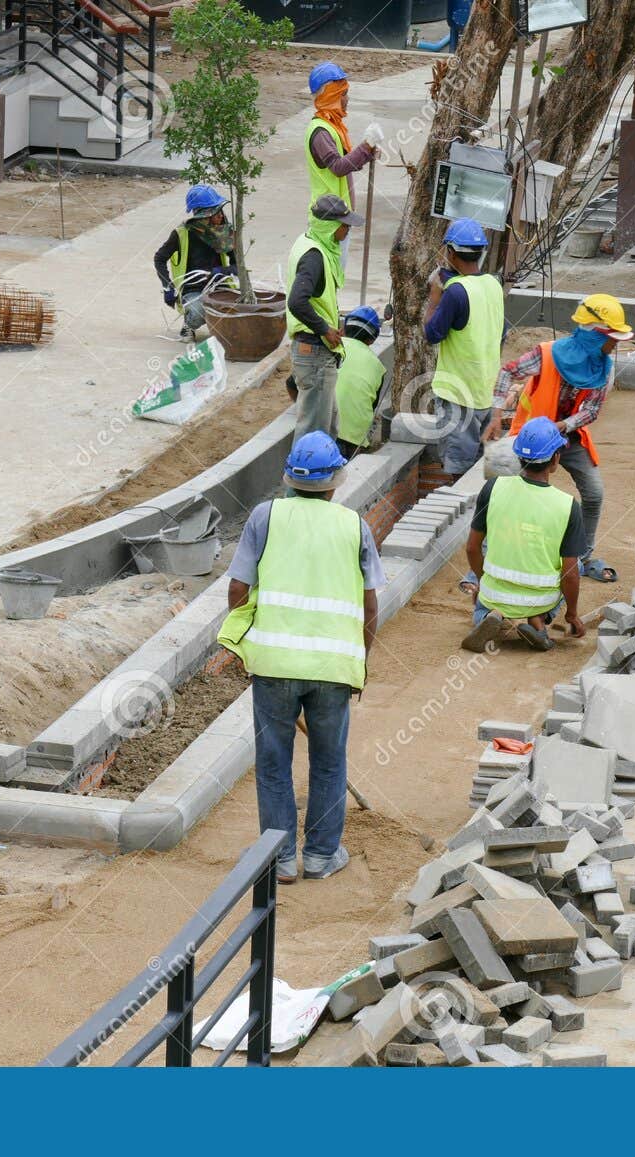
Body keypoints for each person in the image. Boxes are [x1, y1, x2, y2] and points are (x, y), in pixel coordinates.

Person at [219, 432, 385, 885]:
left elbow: (237, 591)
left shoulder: (264, 517)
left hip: (274, 667)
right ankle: (320, 856)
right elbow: (370, 607)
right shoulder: (354, 526)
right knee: (329, 761)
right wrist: (358, 663)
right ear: (336, 481)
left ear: (289, 477)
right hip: (333, 669)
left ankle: (280, 860)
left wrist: (249, 639)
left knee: (273, 762)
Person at [485, 294, 634, 583]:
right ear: (592, 334)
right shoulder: (548, 354)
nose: (614, 345)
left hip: (569, 436)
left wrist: (562, 426)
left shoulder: (603, 368)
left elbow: (590, 411)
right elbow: (507, 373)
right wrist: (495, 414)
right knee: (507, 492)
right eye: (611, 338)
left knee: (594, 493)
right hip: (529, 438)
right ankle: (493, 552)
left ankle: (583, 557)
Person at [462, 418, 587, 653]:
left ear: (518, 457)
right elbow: (569, 576)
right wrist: (571, 614)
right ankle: (538, 621)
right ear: (555, 460)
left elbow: (472, 548)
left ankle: (488, 616)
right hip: (539, 598)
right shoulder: (568, 506)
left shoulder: (493, 488)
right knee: (576, 566)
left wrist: (482, 582)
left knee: (485, 596)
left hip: (495, 591)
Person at [424, 218, 505, 479]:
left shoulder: (455, 292)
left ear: (450, 252)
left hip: (458, 396)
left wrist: (434, 300)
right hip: (485, 390)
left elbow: (432, 334)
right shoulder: (493, 284)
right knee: (477, 471)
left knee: (457, 471)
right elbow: (501, 331)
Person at [287, 195, 363, 443]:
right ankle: (301, 481)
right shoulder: (314, 257)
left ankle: (319, 478)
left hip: (316, 351)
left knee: (327, 428)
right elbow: (297, 301)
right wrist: (324, 329)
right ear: (330, 226)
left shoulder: (309, 242)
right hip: (315, 352)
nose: (348, 228)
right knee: (313, 434)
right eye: (344, 224)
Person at [305, 60, 379, 258]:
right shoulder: (321, 132)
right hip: (328, 218)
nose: (347, 99)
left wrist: (368, 153)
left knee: (336, 275)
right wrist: (366, 146)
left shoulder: (333, 127)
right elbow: (338, 167)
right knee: (329, 276)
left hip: (338, 216)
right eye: (343, 94)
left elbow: (347, 162)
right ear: (331, 96)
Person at [154, 185, 235, 341]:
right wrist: (167, 286)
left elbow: (238, 266)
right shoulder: (182, 234)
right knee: (199, 312)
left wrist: (221, 272)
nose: (220, 216)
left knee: (236, 313)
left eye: (220, 211)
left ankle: (218, 324)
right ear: (203, 216)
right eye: (215, 212)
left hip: (220, 287)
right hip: (194, 290)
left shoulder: (225, 233)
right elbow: (159, 258)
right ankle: (189, 324)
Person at [333, 306, 387, 458]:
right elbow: (371, 404)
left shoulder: (330, 346)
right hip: (354, 437)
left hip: (323, 427)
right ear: (372, 339)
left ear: (343, 328)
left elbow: (292, 384)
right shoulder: (378, 367)